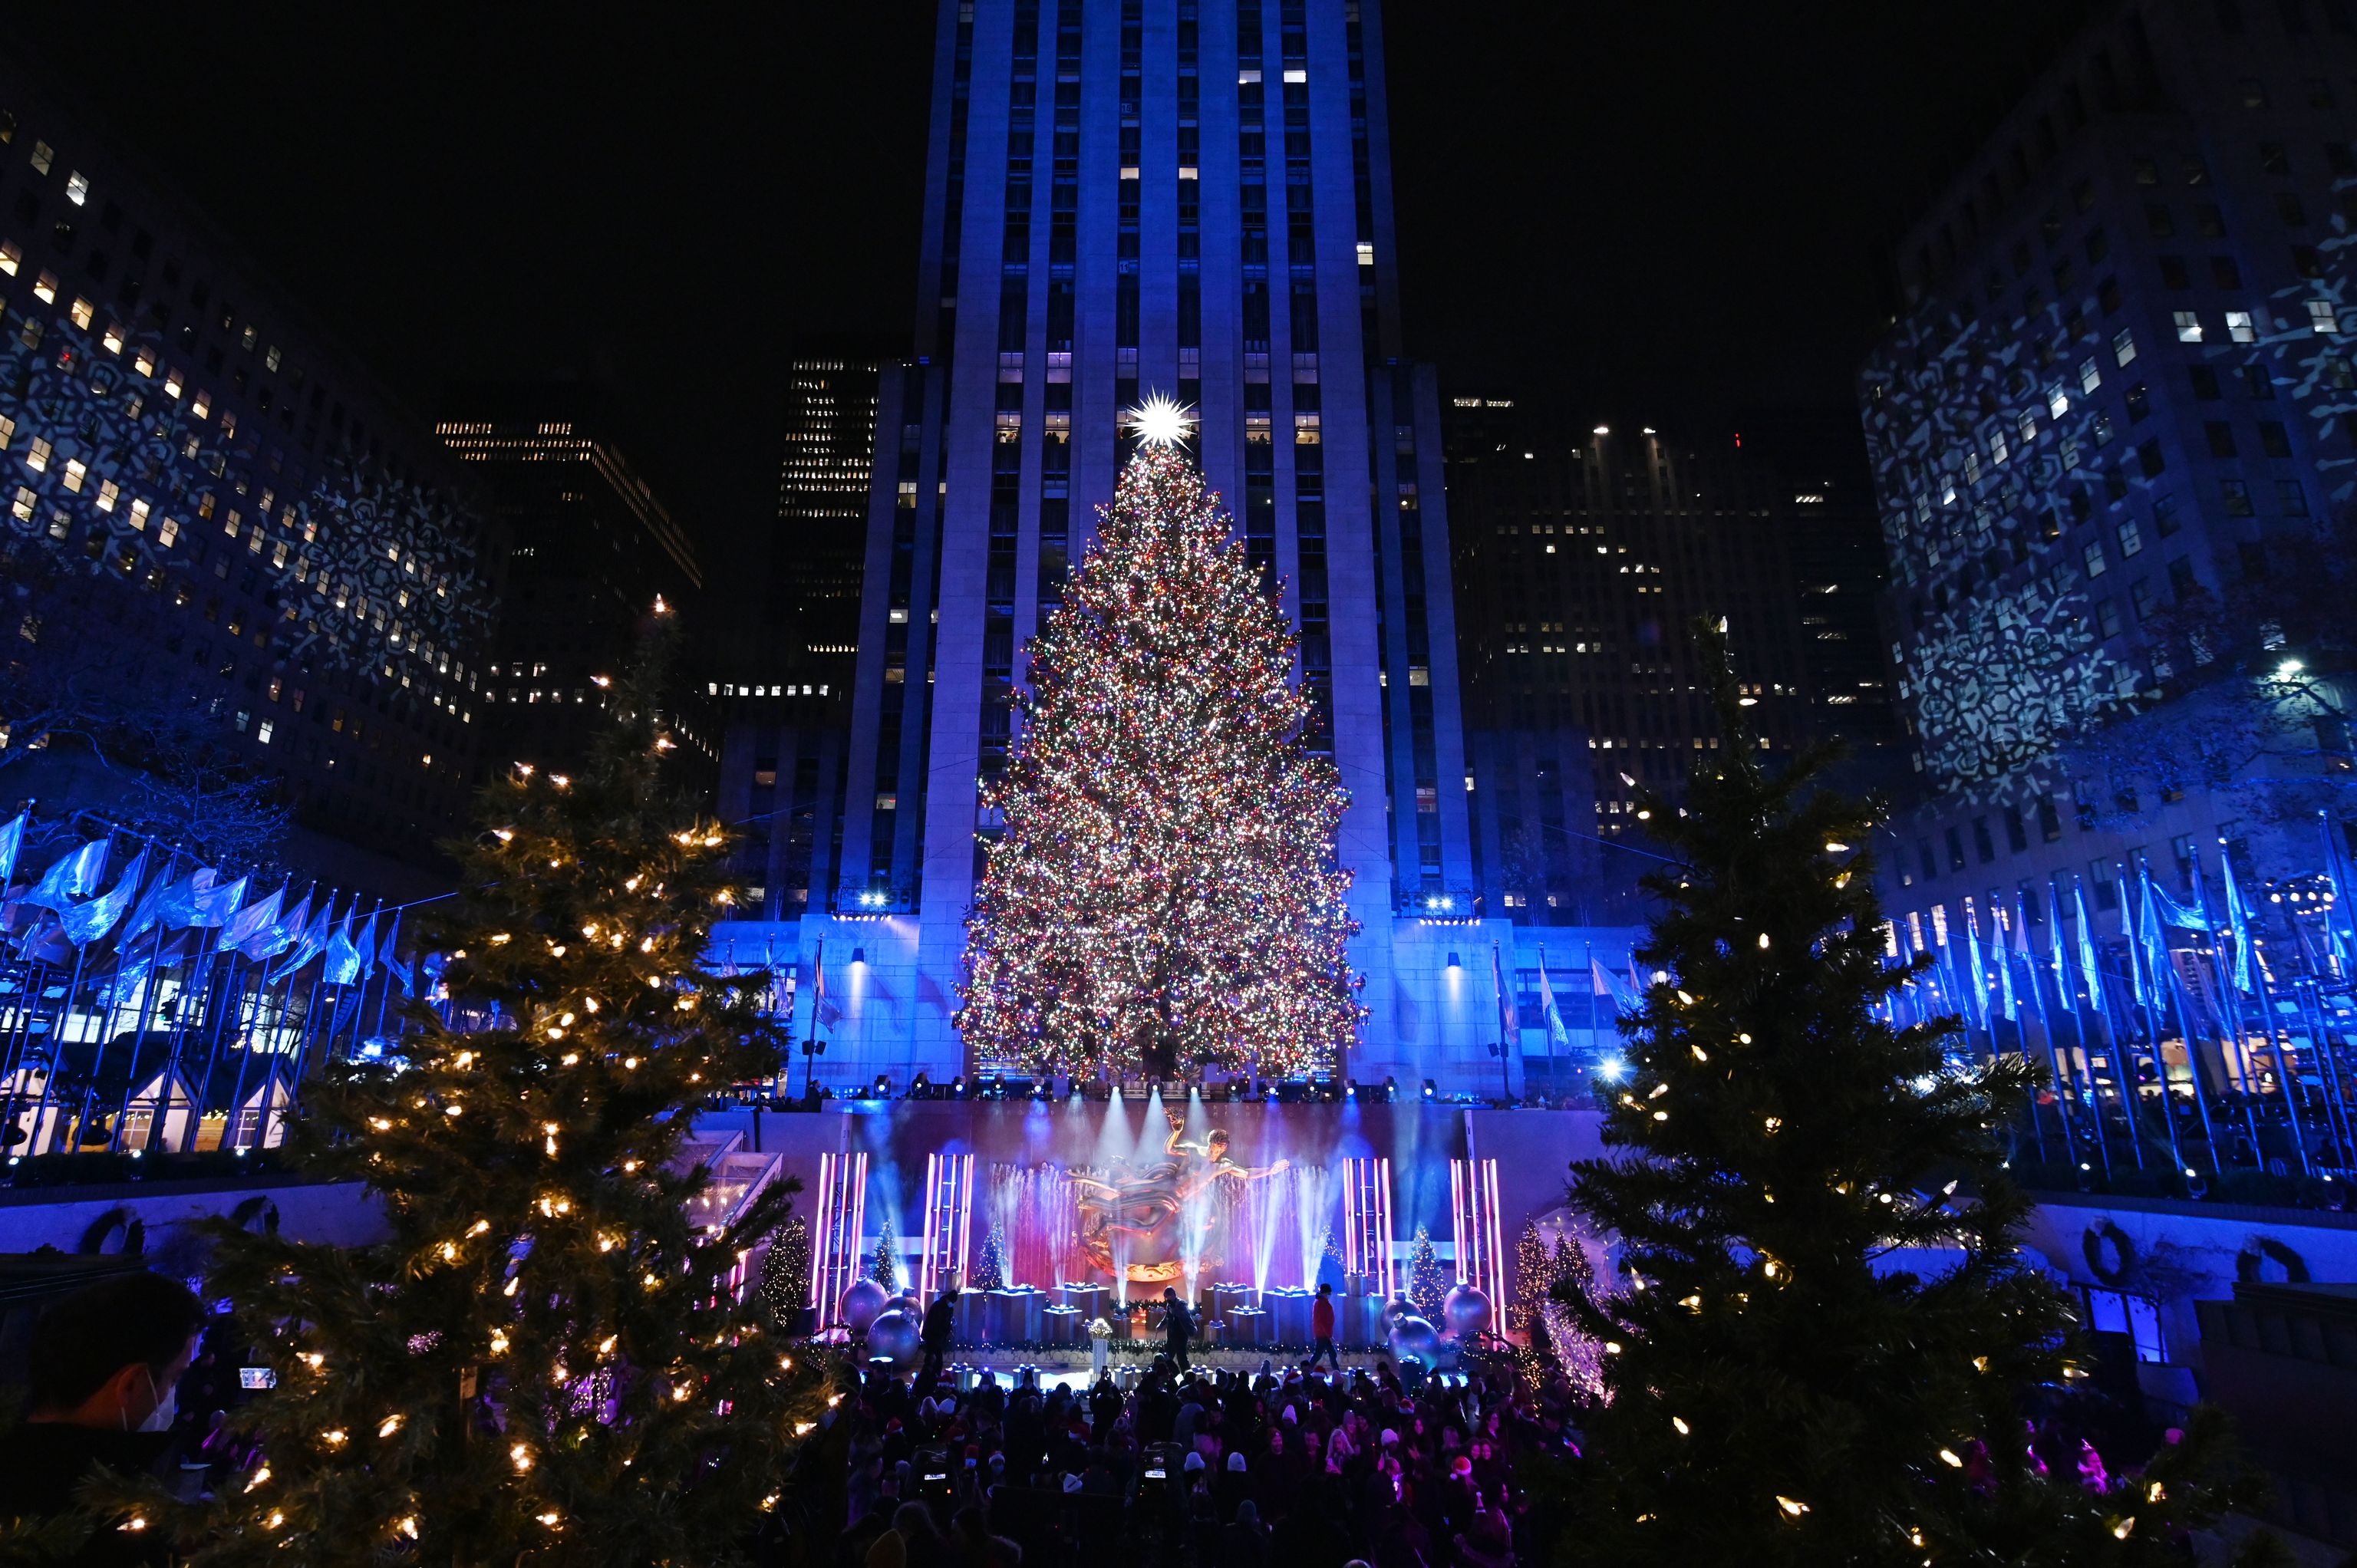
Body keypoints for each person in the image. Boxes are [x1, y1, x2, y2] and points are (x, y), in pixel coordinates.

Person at [0, 1270, 206, 1566]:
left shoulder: (16, 1463)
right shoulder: (112, 1522)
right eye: (174, 1379)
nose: (171, 1395)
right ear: (131, 1384)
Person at [921, 1272, 961, 1380]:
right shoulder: (938, 1307)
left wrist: (951, 1324)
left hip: (939, 1337)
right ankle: (929, 1377)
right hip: (933, 1336)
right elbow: (937, 1323)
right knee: (933, 1359)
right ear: (948, 1299)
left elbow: (946, 1321)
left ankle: (932, 1377)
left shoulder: (948, 1308)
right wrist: (948, 1327)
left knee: (936, 1360)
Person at [1161, 1286, 1195, 1372]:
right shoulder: (1169, 1305)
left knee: (1182, 1358)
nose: (1167, 1299)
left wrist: (1174, 1311)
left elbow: (1185, 1315)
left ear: (1173, 1295)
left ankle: (1187, 1376)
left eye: (1168, 1296)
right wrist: (1160, 1324)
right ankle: (1169, 1374)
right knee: (1168, 1357)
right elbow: (1167, 1316)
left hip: (1181, 1335)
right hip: (1171, 1335)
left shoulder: (1181, 1304)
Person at [1310, 1283, 1339, 1371]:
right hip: (1322, 1334)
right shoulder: (1321, 1303)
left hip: (1323, 1333)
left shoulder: (1321, 1302)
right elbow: (1322, 1321)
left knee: (1331, 1354)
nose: (1330, 1295)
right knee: (1318, 1354)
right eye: (1329, 1293)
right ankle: (1307, 1370)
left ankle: (1337, 1372)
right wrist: (1329, 1336)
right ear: (1325, 1293)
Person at [1087, 1314, 1114, 1381]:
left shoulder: (1105, 1329)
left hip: (1103, 1343)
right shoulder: (1094, 1330)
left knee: (1103, 1358)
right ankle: (1097, 1373)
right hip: (1096, 1343)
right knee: (1097, 1357)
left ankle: (1102, 1374)